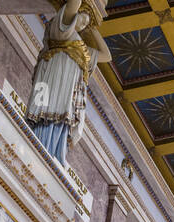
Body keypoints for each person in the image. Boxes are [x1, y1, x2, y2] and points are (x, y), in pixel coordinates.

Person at [25, 0, 111, 166]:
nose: (84, 24)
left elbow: (107, 56)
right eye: (82, 19)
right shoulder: (61, 30)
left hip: (69, 91)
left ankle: (55, 153)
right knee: (49, 112)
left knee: (64, 118)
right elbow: (74, 4)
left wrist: (92, 27)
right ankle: (43, 146)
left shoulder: (83, 49)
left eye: (86, 23)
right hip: (55, 80)